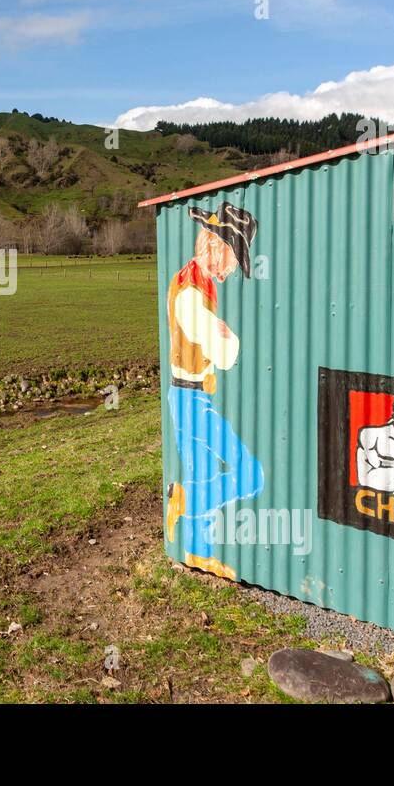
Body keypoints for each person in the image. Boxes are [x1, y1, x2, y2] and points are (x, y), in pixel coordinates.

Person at [164, 202, 264, 580]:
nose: (232, 268)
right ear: (216, 247)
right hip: (190, 398)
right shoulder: (191, 293)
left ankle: (197, 551)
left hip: (192, 395)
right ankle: (187, 502)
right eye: (232, 258)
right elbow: (223, 353)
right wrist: (226, 337)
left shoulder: (197, 282)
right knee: (251, 475)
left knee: (202, 472)